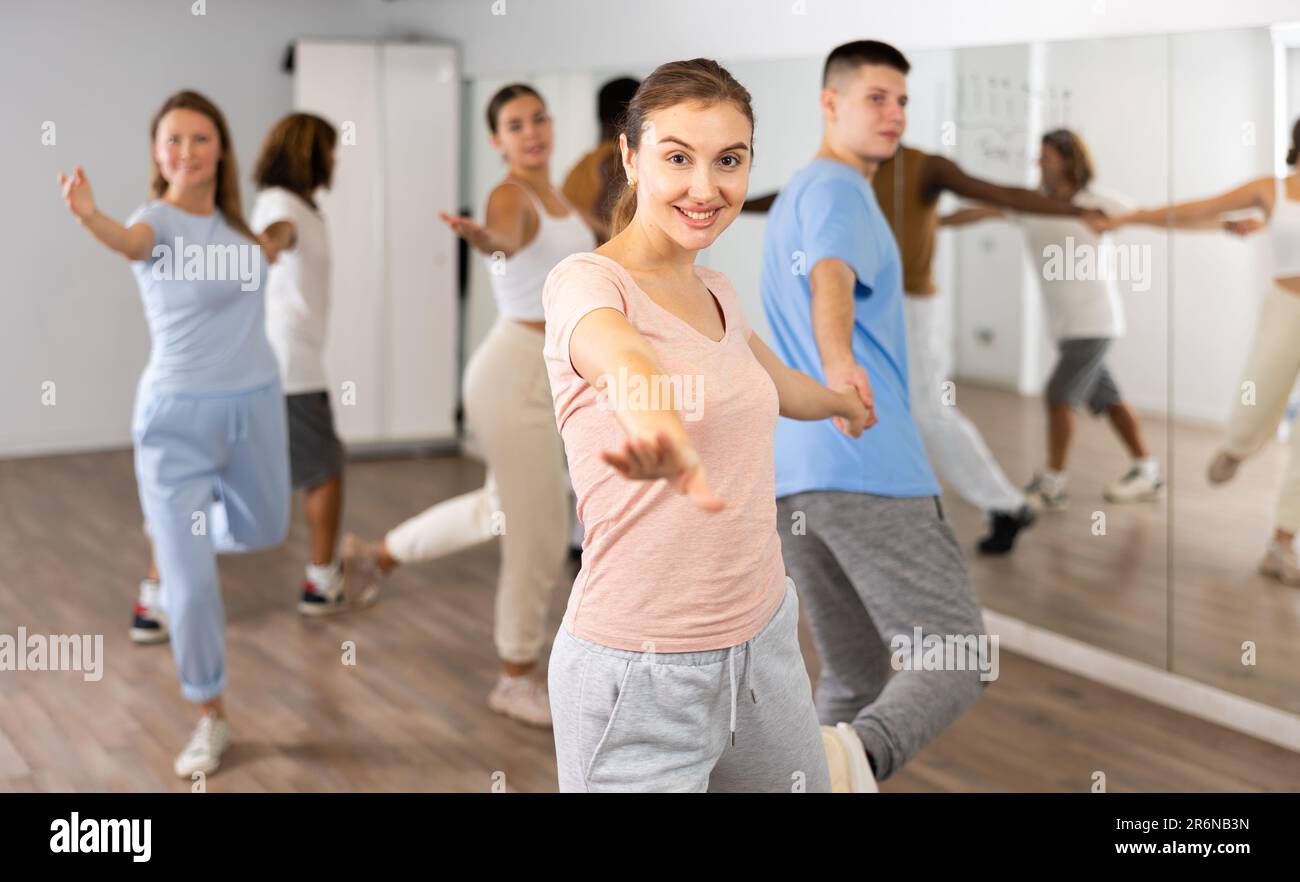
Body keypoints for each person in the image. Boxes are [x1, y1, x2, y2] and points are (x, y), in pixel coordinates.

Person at [543, 58, 870, 792]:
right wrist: (658, 427)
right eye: (677, 158)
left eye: (730, 160)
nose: (706, 187)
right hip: (639, 674)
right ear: (629, 158)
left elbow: (769, 381)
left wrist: (838, 401)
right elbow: (621, 360)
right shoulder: (587, 284)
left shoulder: (715, 288)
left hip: (762, 643)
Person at [760, 40, 991, 790]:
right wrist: (838, 366)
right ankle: (842, 771)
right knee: (957, 653)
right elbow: (833, 278)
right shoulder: (837, 190)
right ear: (830, 104)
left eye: (902, 102)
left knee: (853, 679)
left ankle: (813, 776)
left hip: (799, 475)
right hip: (867, 461)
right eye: (875, 98)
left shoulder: (799, 189)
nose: (893, 115)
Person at [344, 84, 596, 726]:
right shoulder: (509, 196)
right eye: (515, 124)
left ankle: (379, 554)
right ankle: (514, 675)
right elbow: (505, 239)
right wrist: (485, 240)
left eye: (539, 118)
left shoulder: (561, 196)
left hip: (547, 373)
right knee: (539, 532)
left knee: (499, 509)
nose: (532, 131)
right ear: (497, 140)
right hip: (513, 377)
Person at [57, 90, 290, 776]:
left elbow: (266, 254)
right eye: (172, 141)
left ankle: (176, 531)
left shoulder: (238, 231)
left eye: (199, 139)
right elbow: (127, 242)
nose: (185, 152)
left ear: (220, 147)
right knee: (190, 588)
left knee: (265, 531)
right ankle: (209, 713)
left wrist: (283, 237)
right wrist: (89, 216)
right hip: (175, 420)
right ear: (157, 154)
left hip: (255, 407)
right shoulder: (150, 222)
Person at [1099, 119, 1300, 585]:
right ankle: (1238, 445)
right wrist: (1129, 217)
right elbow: (1197, 209)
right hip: (1286, 308)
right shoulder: (1271, 190)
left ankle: (1281, 543)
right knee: (1259, 395)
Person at [940, 129, 1162, 509]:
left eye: (1045, 157)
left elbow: (1147, 216)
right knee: (1109, 399)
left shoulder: (1096, 202)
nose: (1038, 164)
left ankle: (1053, 484)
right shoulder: (1031, 205)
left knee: (1058, 394)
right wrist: (931, 223)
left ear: (1067, 160)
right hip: (1066, 326)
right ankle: (1147, 471)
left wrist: (1220, 223)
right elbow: (978, 212)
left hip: (1095, 321)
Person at [562, 76, 640, 244]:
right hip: (602, 265)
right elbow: (614, 232)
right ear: (634, 115)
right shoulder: (616, 163)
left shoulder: (581, 165)